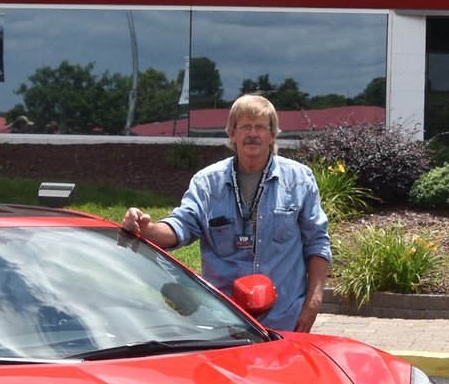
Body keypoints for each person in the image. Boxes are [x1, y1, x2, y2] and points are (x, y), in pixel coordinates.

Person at [120, 94, 330, 332]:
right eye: (245, 127)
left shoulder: (300, 180)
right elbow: (181, 226)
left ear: (273, 135)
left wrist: (313, 304)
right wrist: (146, 228)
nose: (253, 134)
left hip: (285, 319)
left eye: (260, 127)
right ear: (231, 133)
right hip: (224, 323)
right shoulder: (207, 183)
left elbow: (317, 243)